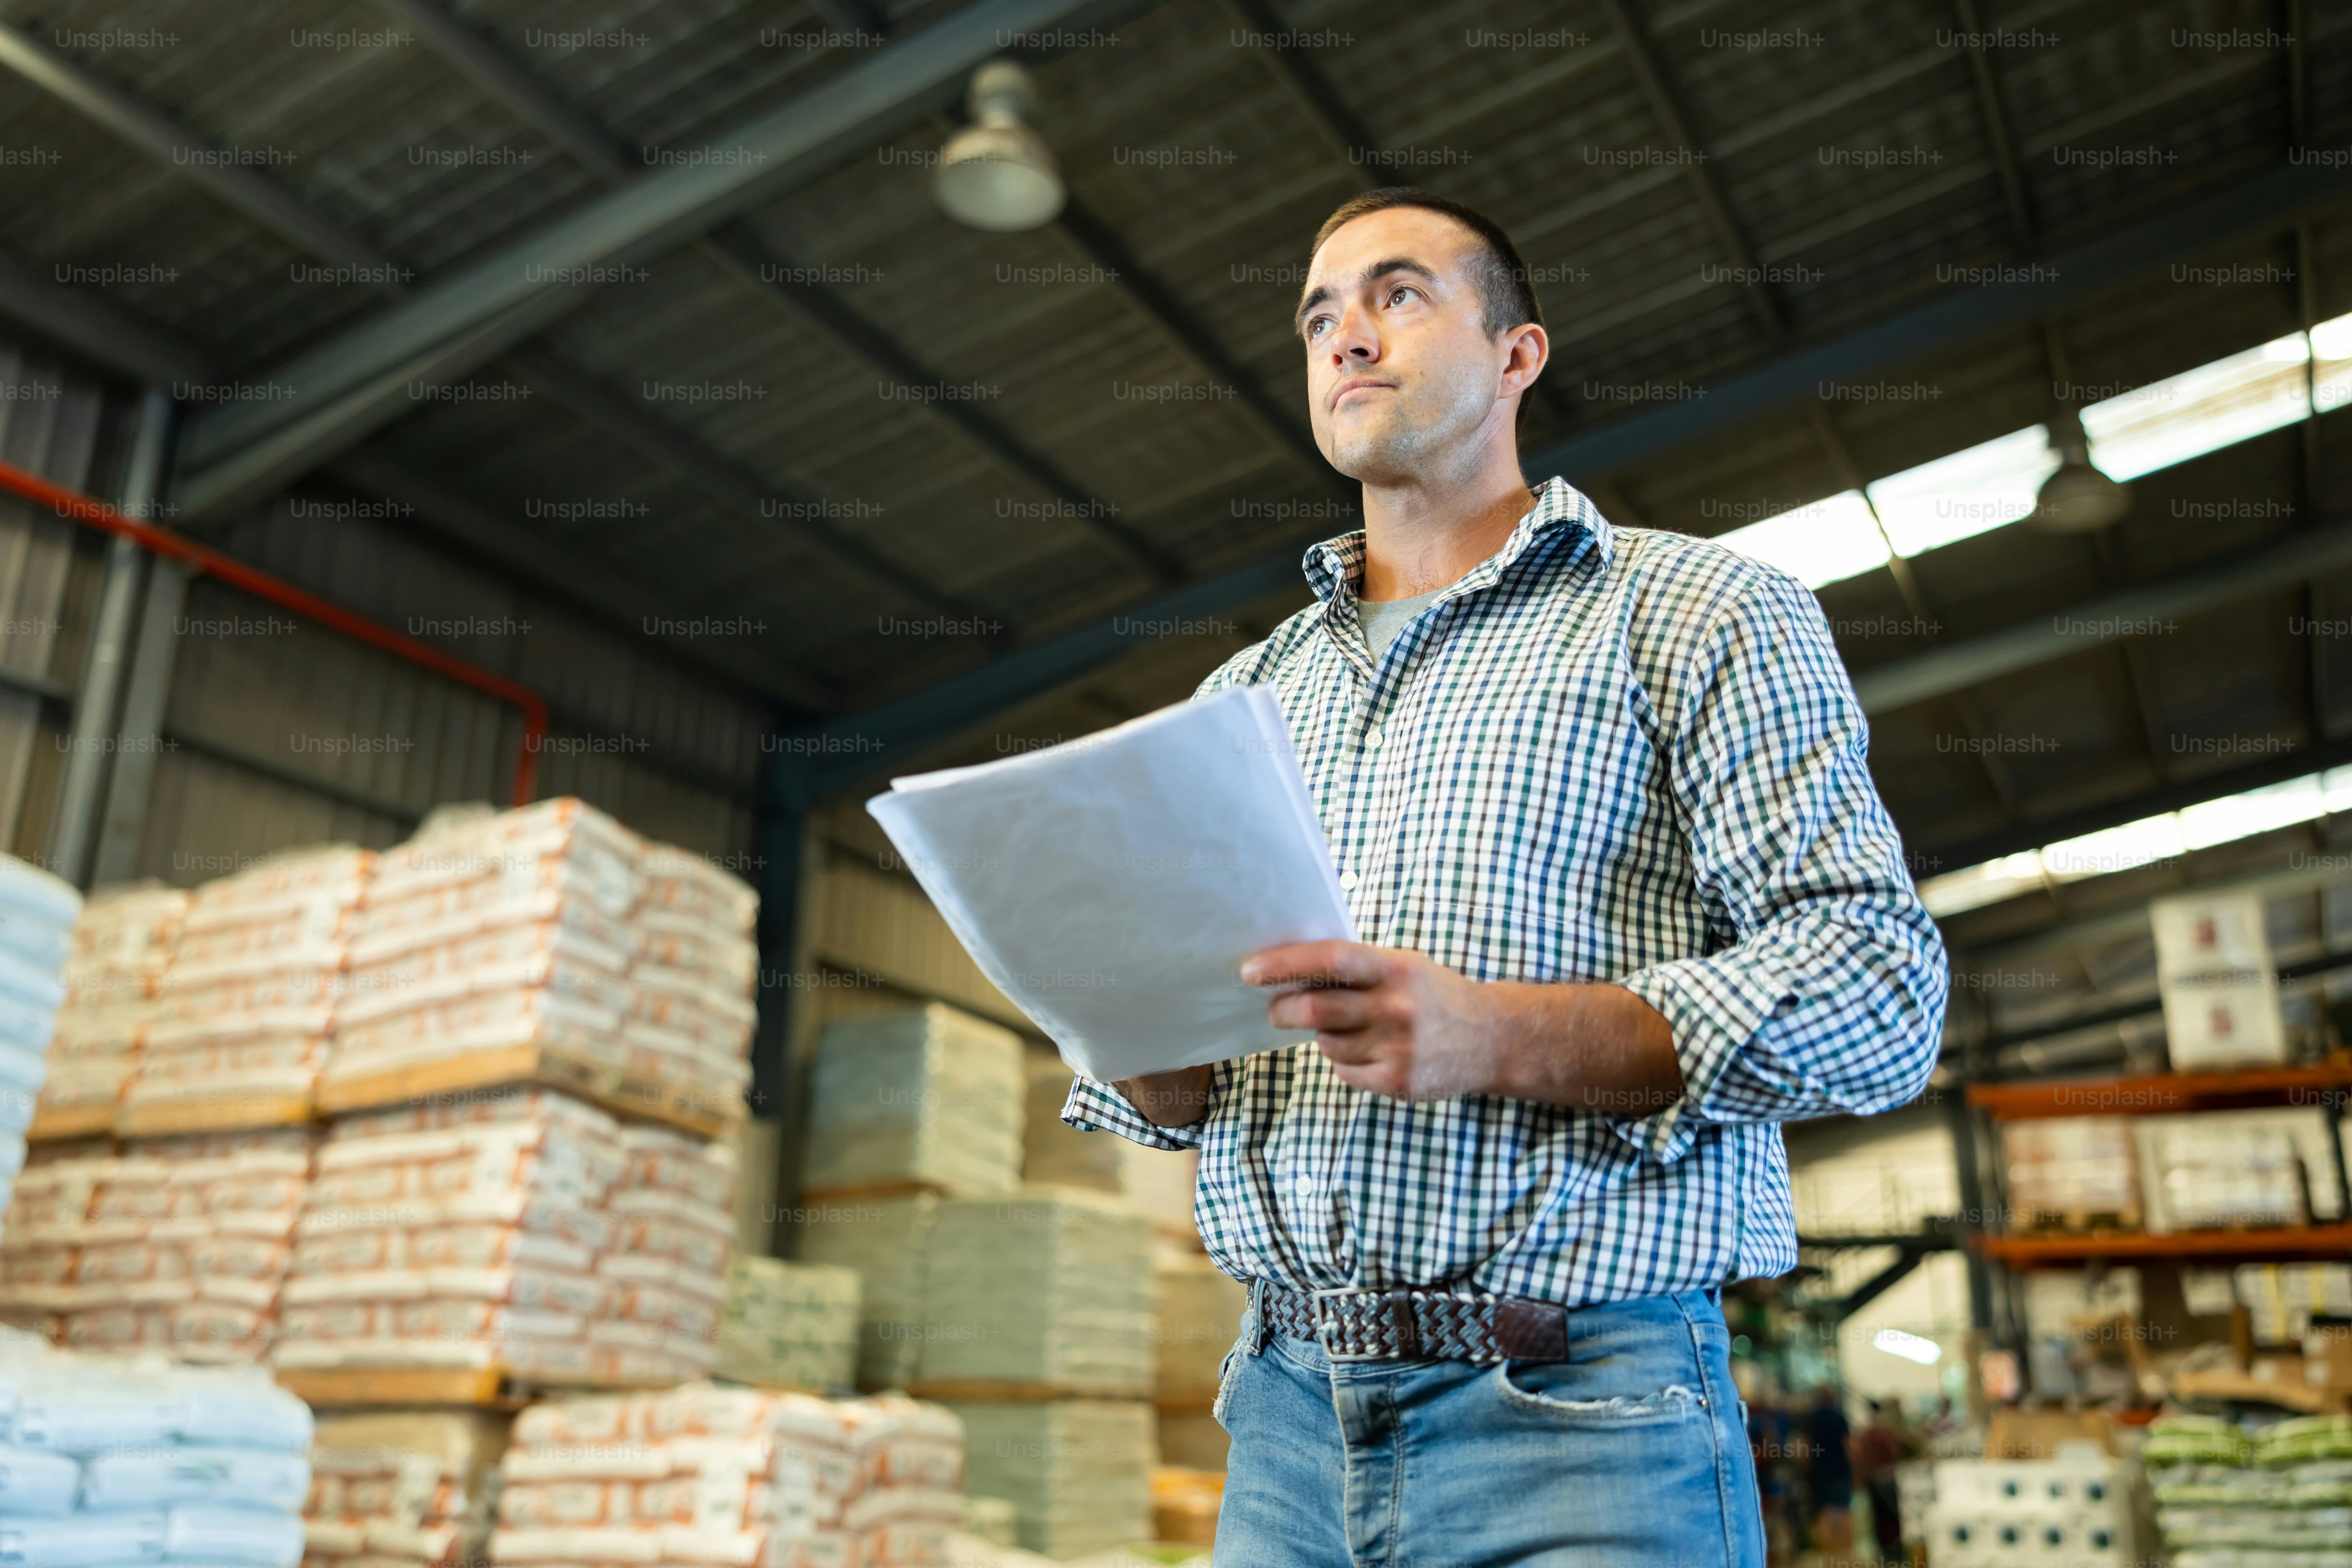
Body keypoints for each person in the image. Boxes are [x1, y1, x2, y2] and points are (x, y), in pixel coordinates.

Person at [1061, 186, 1948, 1567]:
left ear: (1519, 353)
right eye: (1317, 315)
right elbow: (1186, 1092)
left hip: (1584, 1424)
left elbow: (1877, 989)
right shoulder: (1245, 698)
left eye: (1397, 294)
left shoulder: (1697, 611)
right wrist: (1134, 1032)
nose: (1345, 335)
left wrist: (1495, 1035)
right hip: (1286, 1425)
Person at [1856, 1398, 1910, 1559]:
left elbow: (1863, 1458)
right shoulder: (1884, 1431)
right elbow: (1894, 1453)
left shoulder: (1869, 1432)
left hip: (1877, 1479)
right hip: (1886, 1478)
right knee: (1891, 1517)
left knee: (1882, 1518)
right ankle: (1894, 1553)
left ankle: (1889, 1553)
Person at [1804, 1386, 1856, 1555]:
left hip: (1821, 1470)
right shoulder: (1839, 1418)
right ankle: (1845, 1555)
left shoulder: (1813, 1418)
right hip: (1840, 1468)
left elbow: (1808, 1446)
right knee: (1844, 1511)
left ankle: (1830, 1555)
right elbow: (1848, 1444)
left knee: (1825, 1513)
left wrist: (1809, 1467)